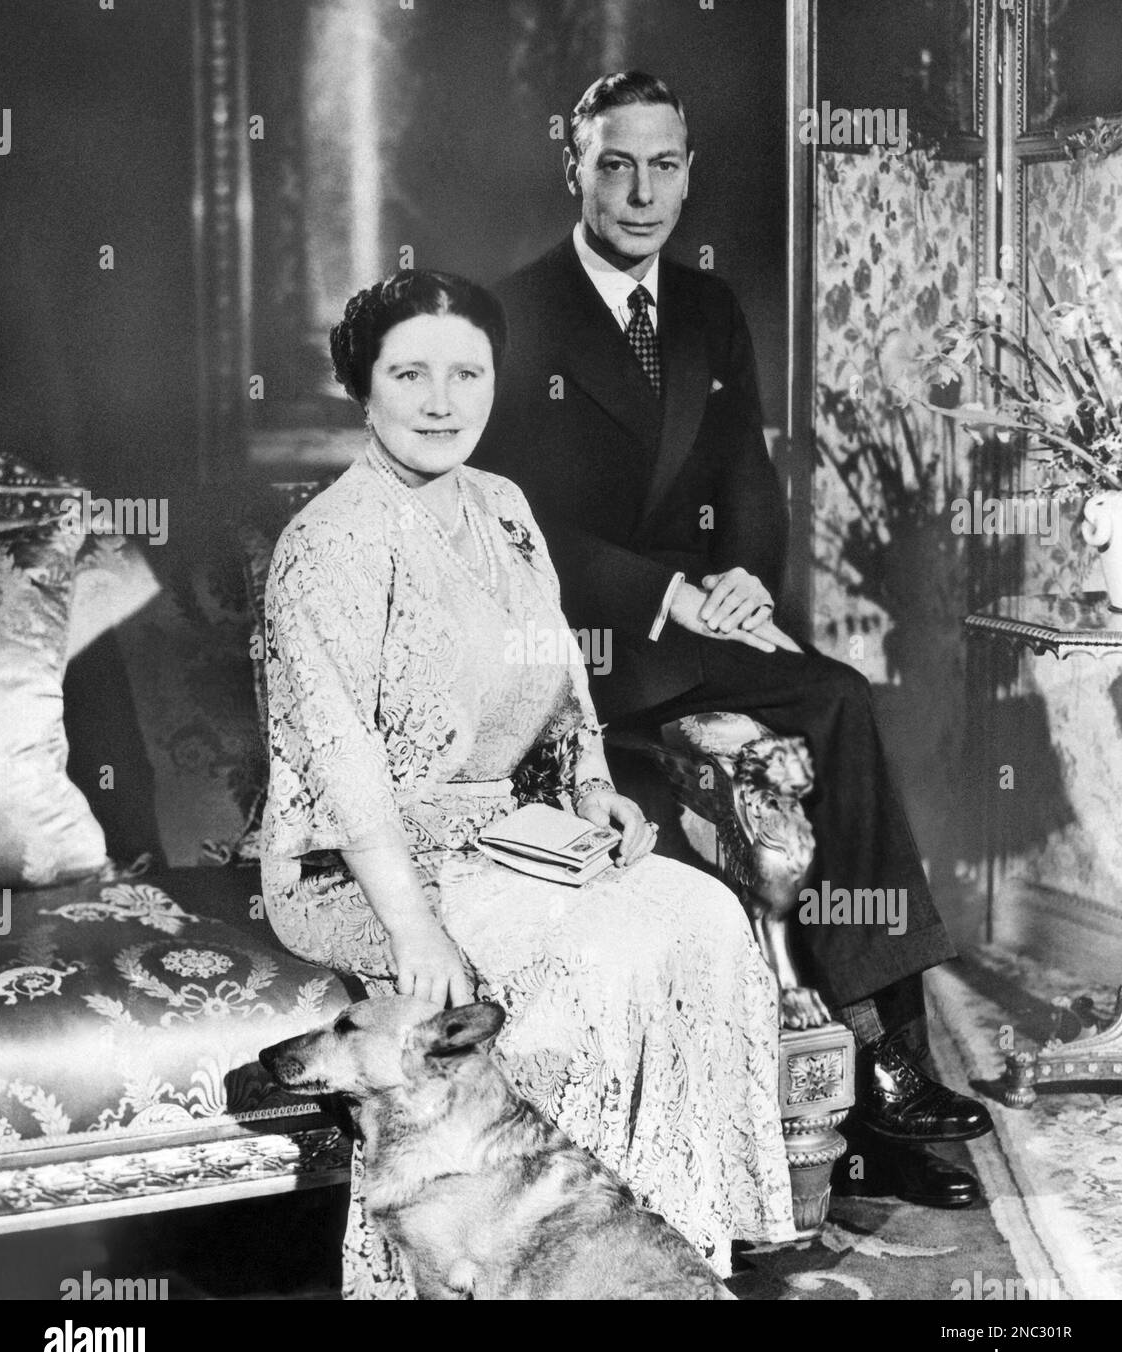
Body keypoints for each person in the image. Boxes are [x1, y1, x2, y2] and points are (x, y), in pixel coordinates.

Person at [473, 71, 992, 1210]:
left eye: (663, 164)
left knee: (843, 695)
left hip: (705, 621)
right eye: (616, 163)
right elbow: (514, 521)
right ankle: (882, 1080)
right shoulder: (513, 314)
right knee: (834, 703)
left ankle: (890, 1070)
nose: (641, 190)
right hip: (582, 644)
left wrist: (751, 581)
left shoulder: (707, 308)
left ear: (691, 169)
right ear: (575, 165)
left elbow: (747, 484)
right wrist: (670, 595)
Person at [259, 269, 796, 1299]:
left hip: (507, 833)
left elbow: (559, 679)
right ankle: (545, 1273)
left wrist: (592, 788)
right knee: (592, 960)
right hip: (357, 871)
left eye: (467, 374)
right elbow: (341, 765)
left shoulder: (502, 506)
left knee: (707, 918)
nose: (440, 400)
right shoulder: (324, 544)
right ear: (361, 387)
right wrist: (412, 929)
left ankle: (666, 1264)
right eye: (409, 373)